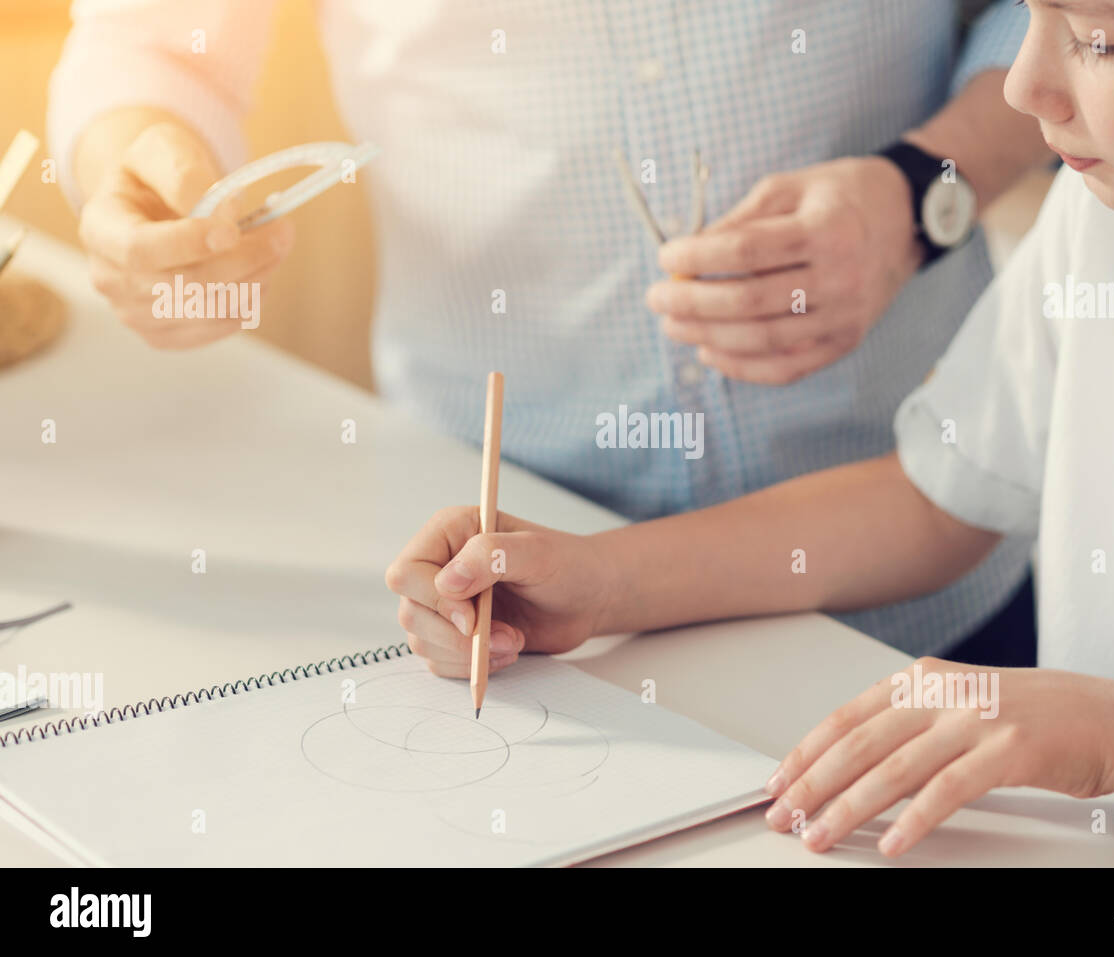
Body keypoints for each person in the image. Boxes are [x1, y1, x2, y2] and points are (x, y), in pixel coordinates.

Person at [384, 0, 1114, 858]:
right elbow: (940, 494)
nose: (1022, 88)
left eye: (1099, 39)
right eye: (1029, 12)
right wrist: (601, 580)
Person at [48, 1, 1054, 666]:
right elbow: (151, 37)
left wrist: (929, 184)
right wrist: (143, 172)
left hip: (927, 561)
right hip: (504, 581)